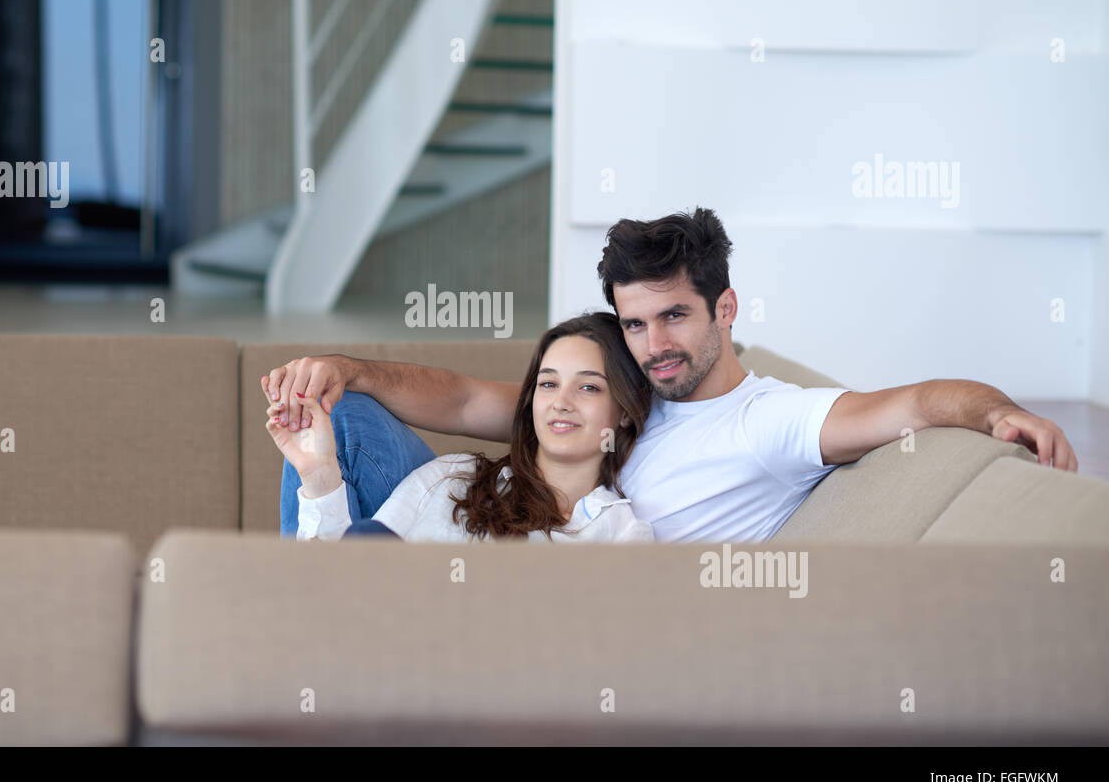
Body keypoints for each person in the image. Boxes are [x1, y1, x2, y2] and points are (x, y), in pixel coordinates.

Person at [263, 207, 1078, 543]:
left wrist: (995, 412)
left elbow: (913, 402)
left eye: (676, 316)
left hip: (546, 574)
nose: (654, 345)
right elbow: (472, 397)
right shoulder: (627, 390)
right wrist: (345, 366)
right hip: (490, 519)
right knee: (341, 411)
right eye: (635, 322)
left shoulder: (770, 422)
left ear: (726, 308)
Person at [265, 312, 654, 543]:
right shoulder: (452, 476)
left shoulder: (622, 533)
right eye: (548, 384)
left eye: (588, 387)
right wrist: (318, 477)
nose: (561, 402)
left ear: (624, 411)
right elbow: (340, 582)